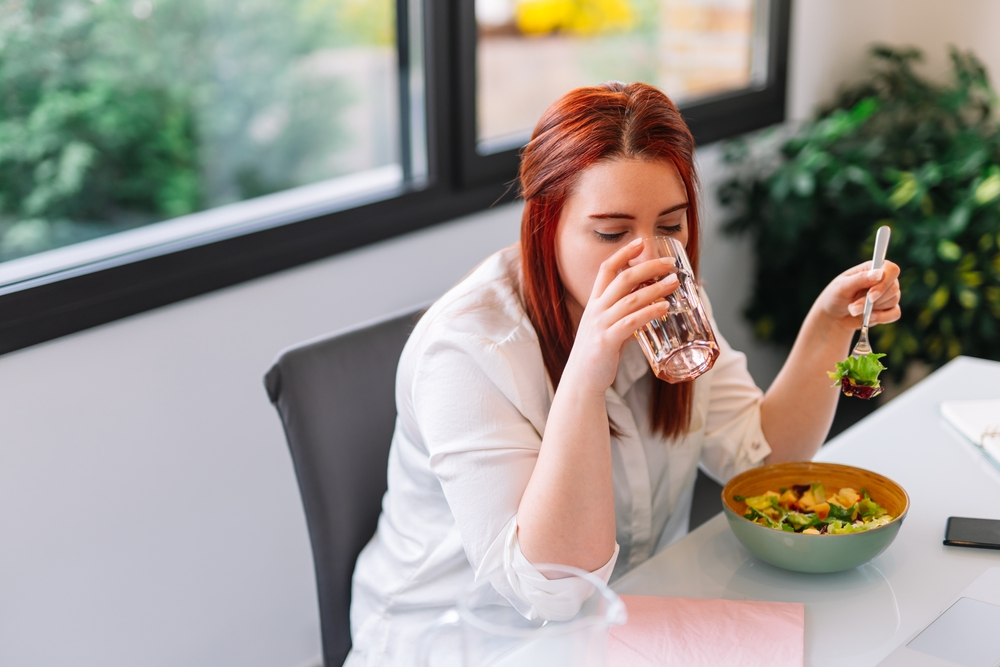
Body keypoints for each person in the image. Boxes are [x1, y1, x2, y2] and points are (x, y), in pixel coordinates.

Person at [345, 82, 901, 665]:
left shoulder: (677, 305)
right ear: (545, 227)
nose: (650, 259)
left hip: (619, 626)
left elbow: (762, 465)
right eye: (611, 233)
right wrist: (587, 373)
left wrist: (829, 325)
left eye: (672, 226)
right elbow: (553, 589)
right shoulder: (469, 351)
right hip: (466, 643)